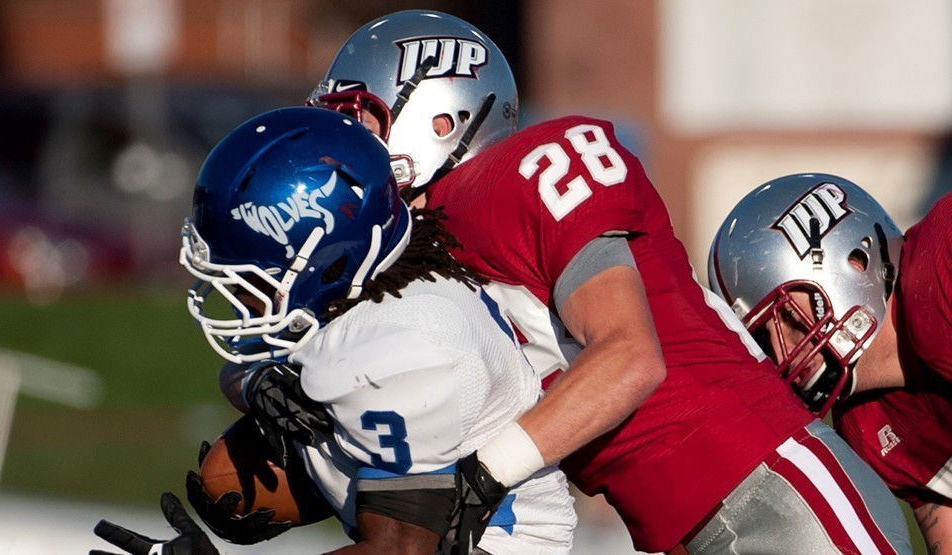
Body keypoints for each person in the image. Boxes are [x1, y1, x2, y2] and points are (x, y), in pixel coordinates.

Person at [298, 9, 914, 555]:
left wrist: (483, 476)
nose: (350, 149)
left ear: (439, 116)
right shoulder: (423, 245)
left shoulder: (517, 177)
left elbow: (628, 358)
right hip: (683, 523)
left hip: (768, 486)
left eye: (363, 119)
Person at [90, 106, 576, 555]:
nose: (244, 301)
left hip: (485, 545)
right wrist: (258, 384)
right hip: (435, 522)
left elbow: (397, 552)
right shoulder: (365, 294)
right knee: (230, 473)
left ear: (324, 257)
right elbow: (248, 372)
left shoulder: (408, 345)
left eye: (255, 280)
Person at [708, 173, 952, 553]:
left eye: (787, 319)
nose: (779, 353)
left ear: (855, 261)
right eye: (762, 341)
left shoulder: (943, 266)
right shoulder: (870, 426)